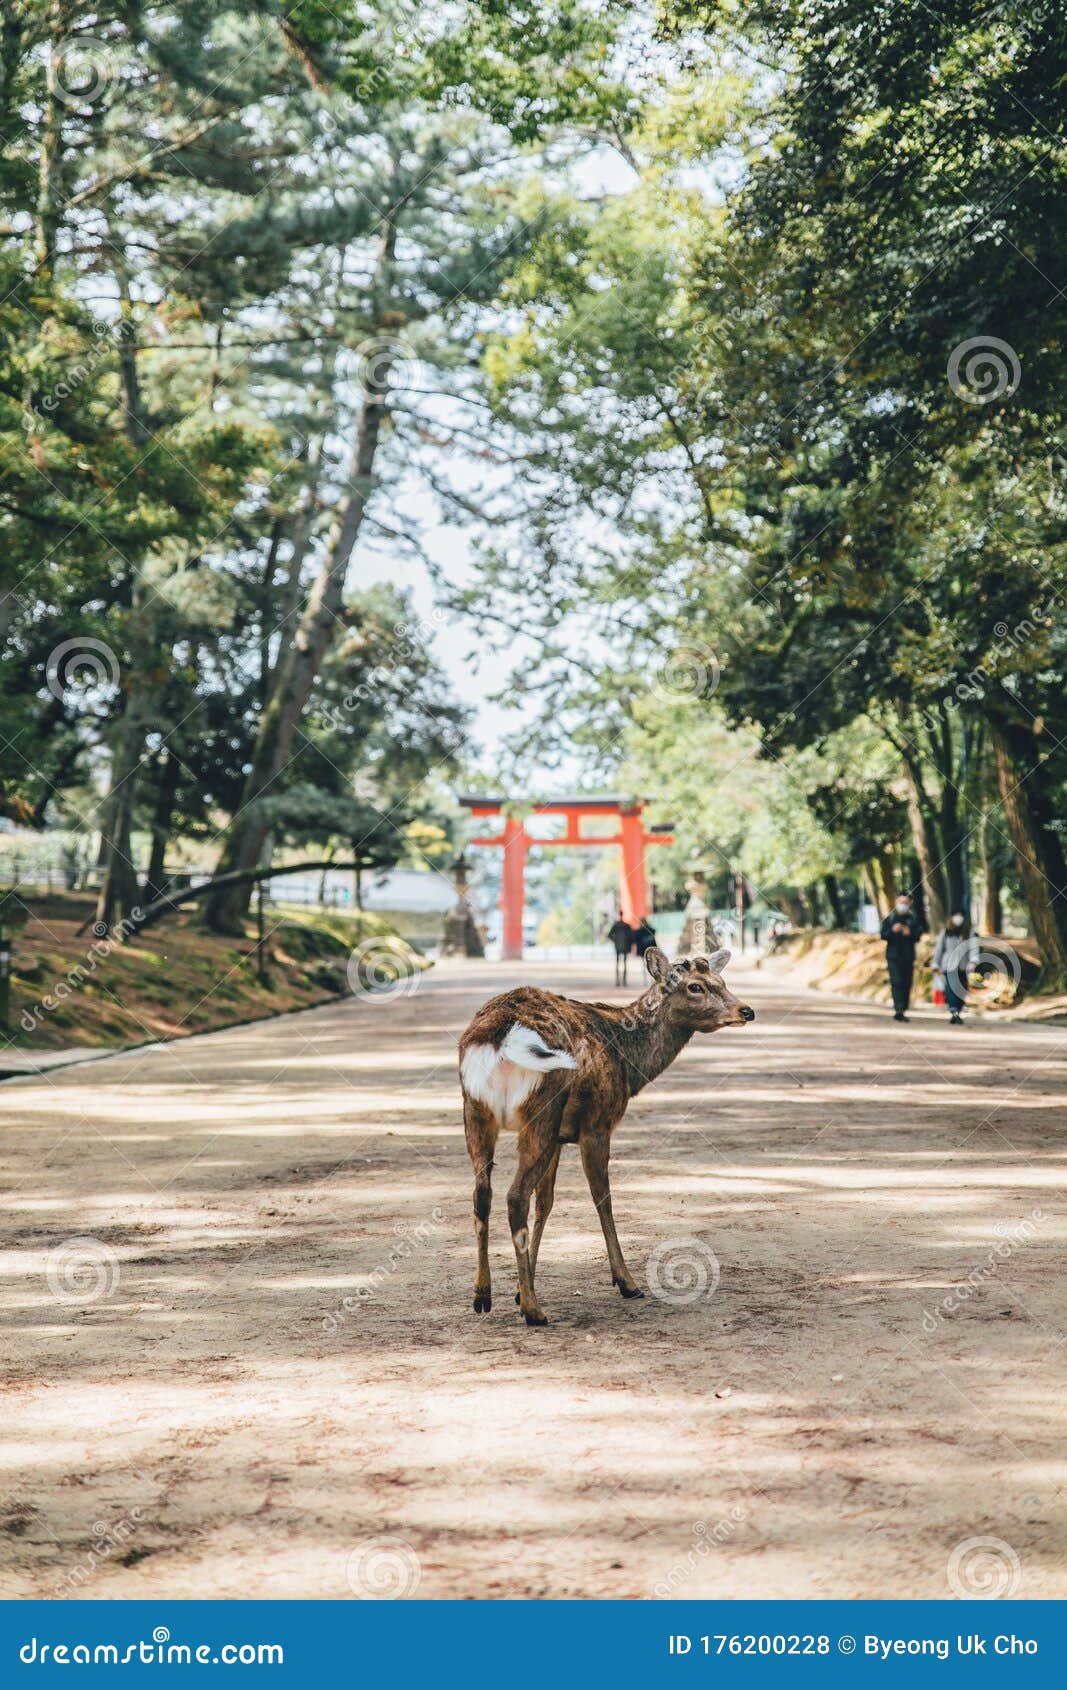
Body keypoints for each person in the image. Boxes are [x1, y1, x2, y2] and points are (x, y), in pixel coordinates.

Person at [932, 912, 980, 1024]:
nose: (958, 918)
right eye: (956, 916)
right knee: (952, 987)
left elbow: (974, 947)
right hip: (948, 965)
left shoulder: (969, 932)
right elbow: (939, 949)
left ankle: (958, 1009)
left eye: (960, 916)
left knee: (962, 989)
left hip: (963, 965)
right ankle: (953, 1010)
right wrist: (935, 963)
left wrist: (974, 960)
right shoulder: (946, 932)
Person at [881, 893, 921, 1022]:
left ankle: (903, 1008)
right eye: (900, 902)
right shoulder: (890, 918)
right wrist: (892, 930)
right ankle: (898, 1007)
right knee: (896, 981)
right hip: (893, 956)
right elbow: (883, 935)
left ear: (909, 904)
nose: (902, 905)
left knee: (906, 982)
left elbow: (918, 936)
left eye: (905, 902)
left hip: (908, 956)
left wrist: (909, 933)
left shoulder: (913, 919)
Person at [607, 912, 633, 986]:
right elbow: (631, 937)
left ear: (619, 915)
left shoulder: (616, 925)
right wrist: (630, 945)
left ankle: (617, 981)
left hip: (617, 946)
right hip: (625, 946)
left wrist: (615, 941)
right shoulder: (626, 925)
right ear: (623, 915)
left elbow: (609, 935)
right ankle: (624, 981)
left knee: (617, 963)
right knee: (625, 963)